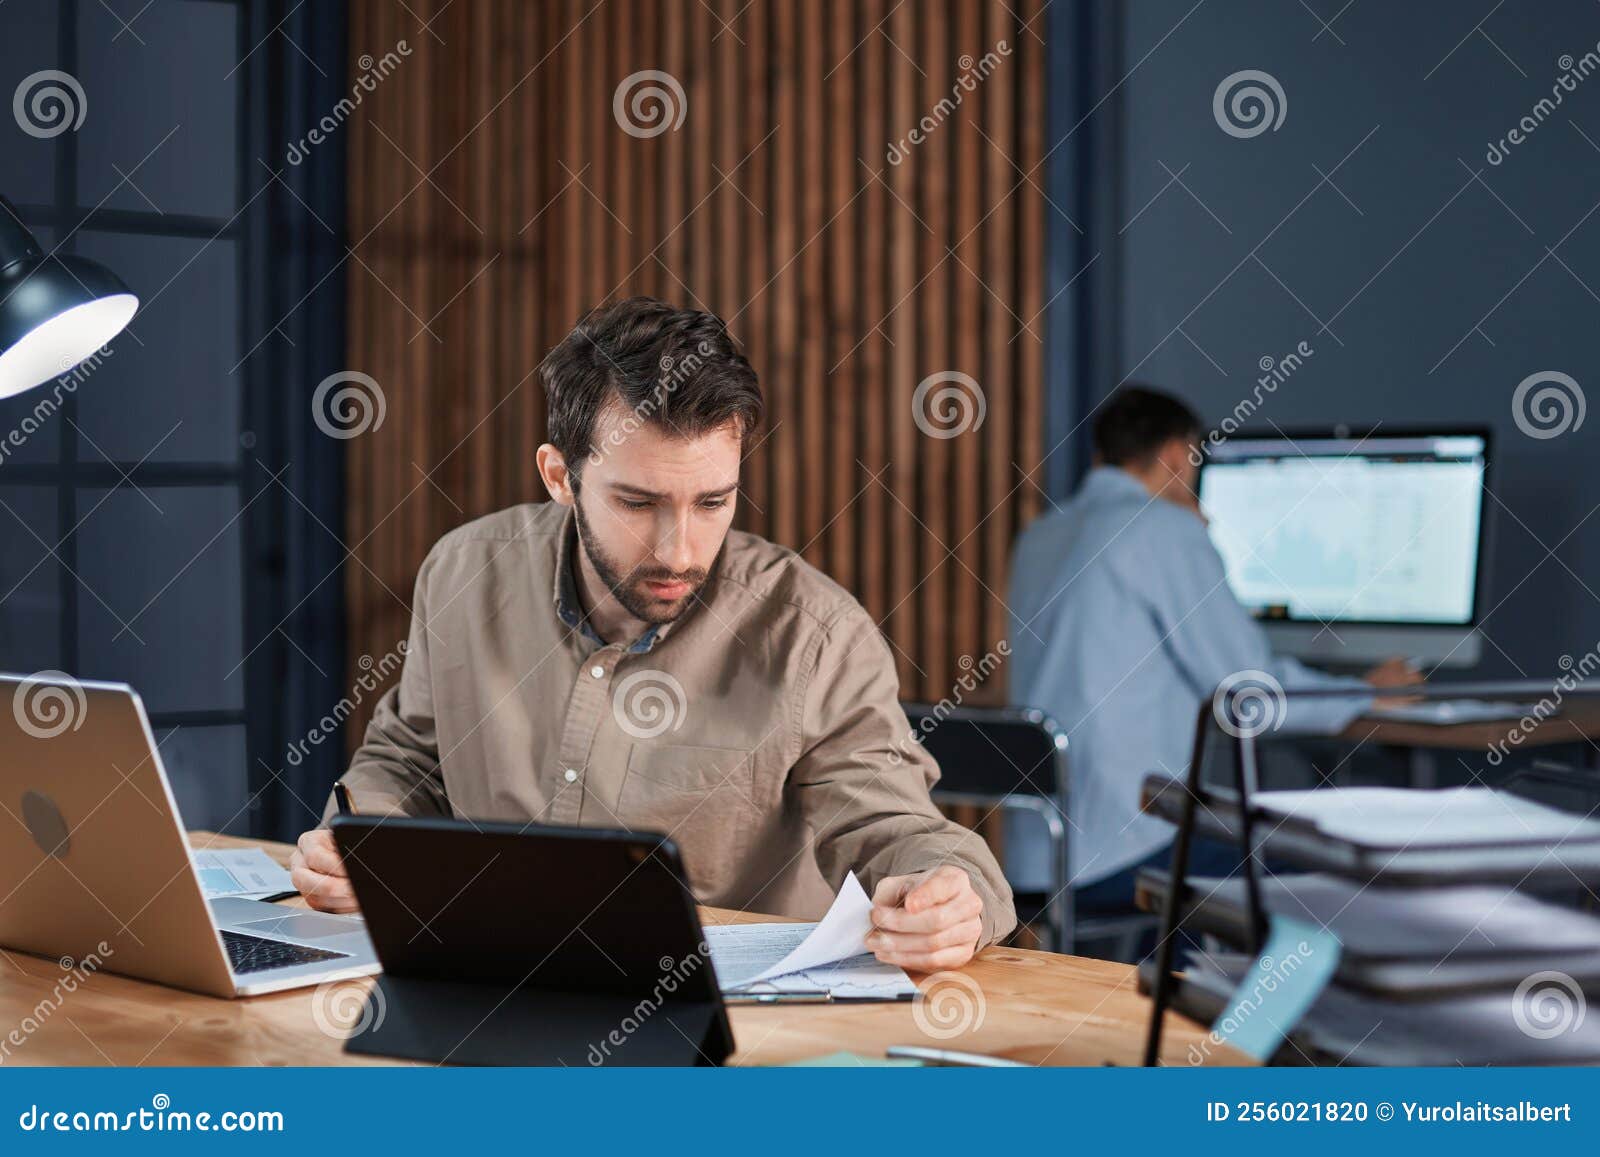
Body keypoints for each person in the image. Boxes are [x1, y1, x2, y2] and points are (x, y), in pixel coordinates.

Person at [291, 296, 1015, 971]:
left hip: (725, 1041)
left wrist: (950, 897)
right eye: (638, 502)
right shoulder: (462, 573)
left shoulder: (816, 637)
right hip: (485, 985)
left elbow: (894, 828)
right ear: (559, 476)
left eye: (713, 501)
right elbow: (411, 760)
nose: (678, 550)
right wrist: (367, 840)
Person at [1005, 386, 1421, 912]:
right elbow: (1249, 692)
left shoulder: (1041, 534)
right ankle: (1199, 990)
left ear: (1101, 457)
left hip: (1034, 862)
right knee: (1324, 860)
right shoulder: (1162, 528)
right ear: (1179, 455)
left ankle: (1173, 983)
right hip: (1121, 855)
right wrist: (1365, 693)